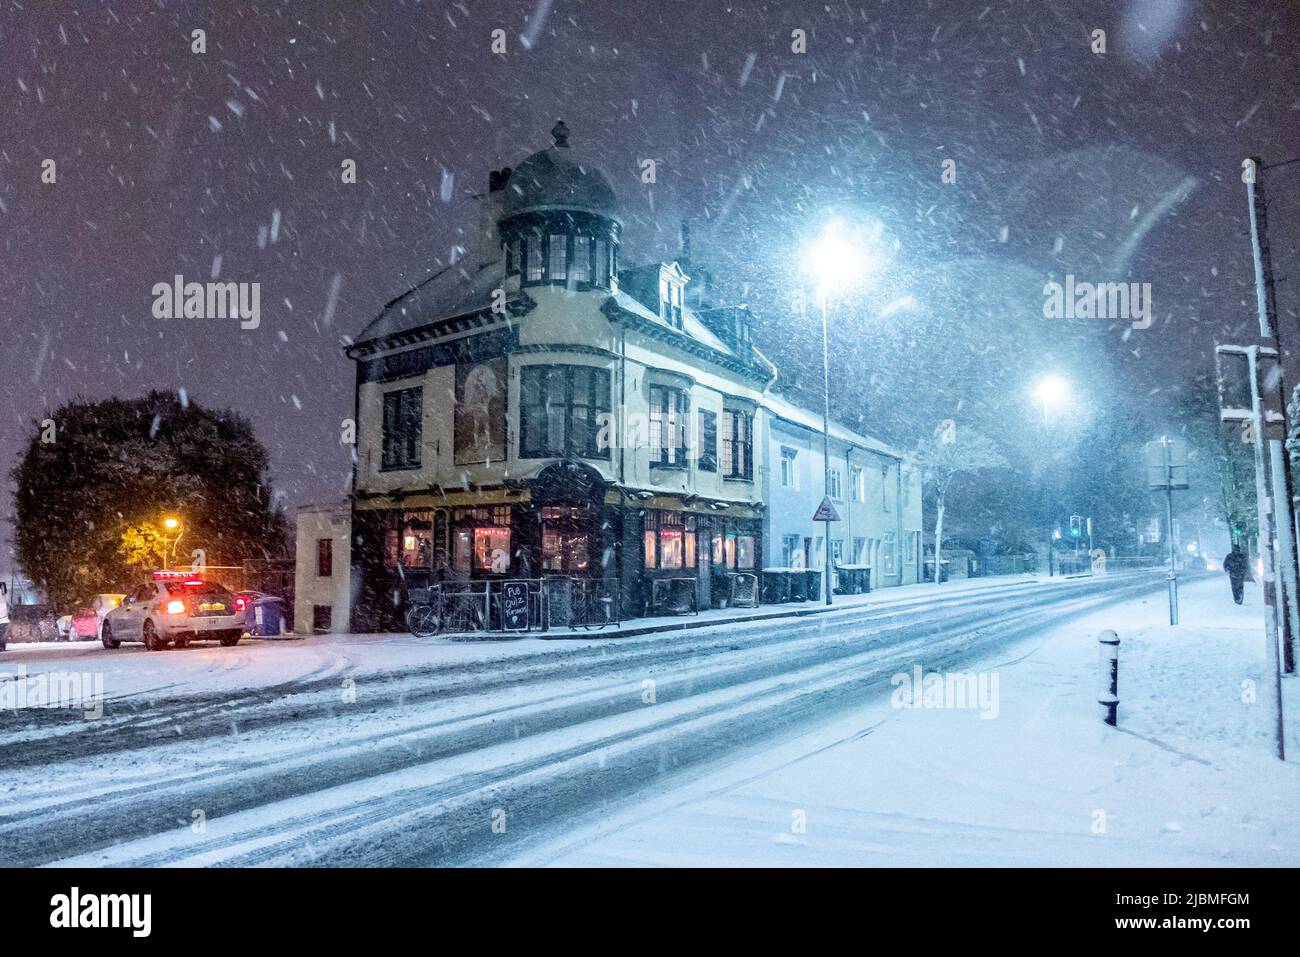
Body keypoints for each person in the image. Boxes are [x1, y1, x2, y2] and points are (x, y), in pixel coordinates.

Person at [0, 582, 9, 651]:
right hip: (4, 618)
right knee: (2, 635)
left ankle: (1, 647)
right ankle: (1, 647)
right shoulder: (4, 595)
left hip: (3, 618)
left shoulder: (3, 595)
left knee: (2, 635)